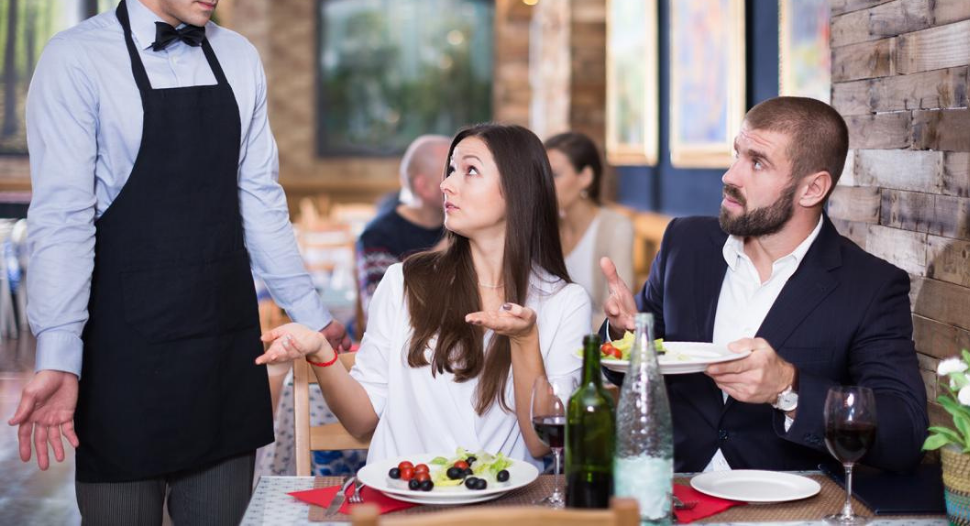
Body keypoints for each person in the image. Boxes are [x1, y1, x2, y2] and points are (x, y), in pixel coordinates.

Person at [8, 0, 347, 524]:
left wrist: (310, 312)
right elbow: (62, 219)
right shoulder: (76, 60)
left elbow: (260, 198)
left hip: (224, 354)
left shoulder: (240, 58)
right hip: (121, 359)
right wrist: (58, 355)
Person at [600, 97, 928, 473]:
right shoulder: (684, 245)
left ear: (812, 188)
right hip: (672, 493)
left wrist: (788, 388)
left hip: (786, 508)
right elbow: (624, 367)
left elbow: (905, 433)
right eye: (736, 154)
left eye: (757, 162)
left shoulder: (870, 286)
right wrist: (621, 333)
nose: (730, 176)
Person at [258, 124, 591, 467]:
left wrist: (524, 341)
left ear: (519, 189)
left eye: (470, 170)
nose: (446, 184)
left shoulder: (564, 302)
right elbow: (361, 419)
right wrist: (320, 351)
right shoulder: (404, 281)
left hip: (501, 507)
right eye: (450, 170)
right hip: (401, 501)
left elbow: (540, 444)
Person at [545, 132, 634, 326]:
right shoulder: (545, 228)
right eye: (542, 175)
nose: (545, 184)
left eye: (554, 174)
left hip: (593, 347)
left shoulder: (616, 228)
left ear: (585, 177)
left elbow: (618, 313)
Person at [356, 135, 450, 315]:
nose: (458, 181)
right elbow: (379, 310)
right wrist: (446, 249)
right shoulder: (377, 235)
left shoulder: (464, 225)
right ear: (423, 187)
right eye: (450, 172)